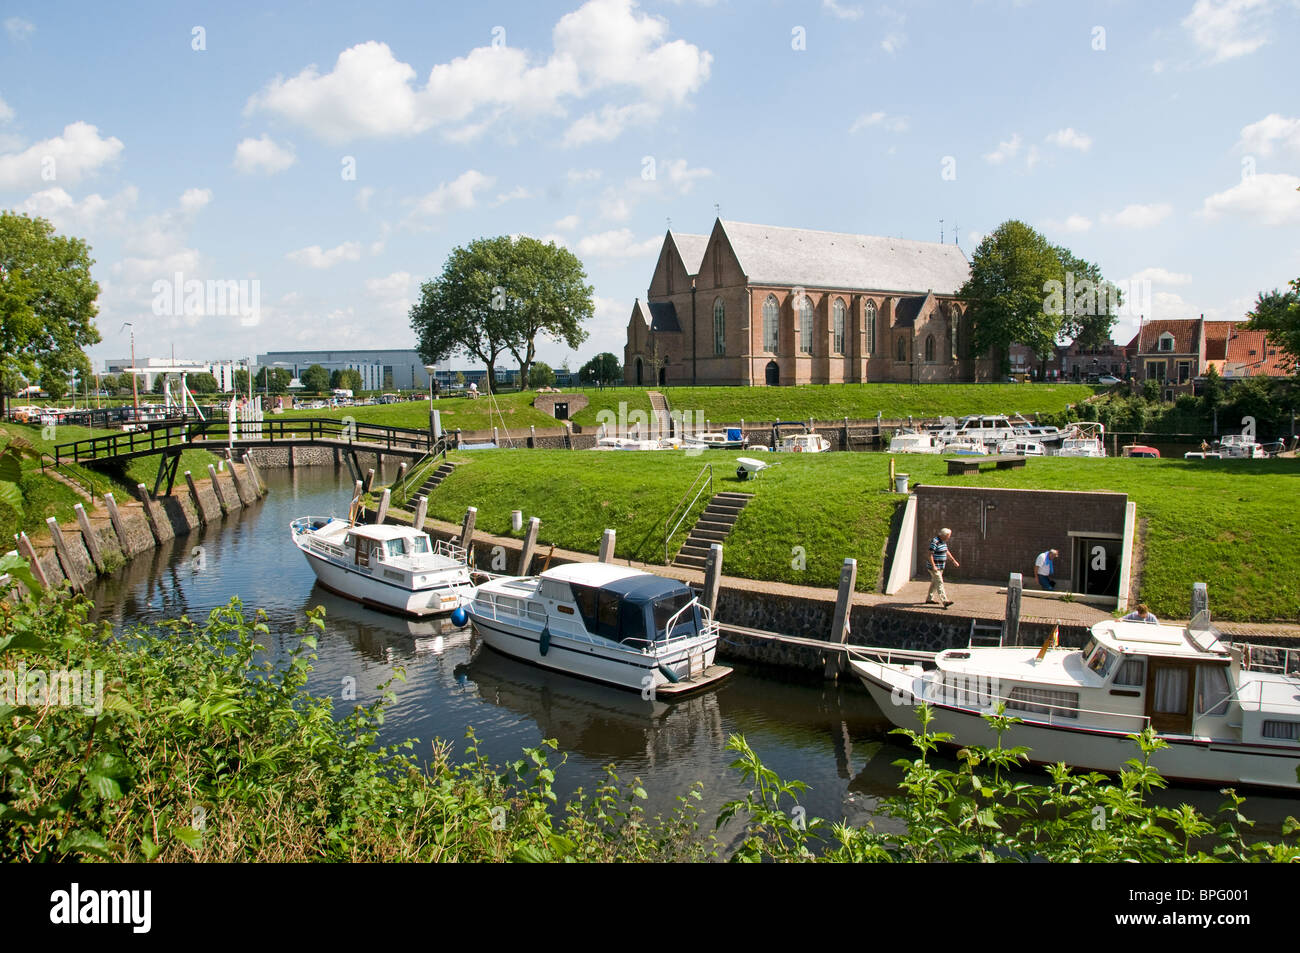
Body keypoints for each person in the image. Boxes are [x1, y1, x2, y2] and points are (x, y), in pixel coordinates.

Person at [926, 528, 957, 608]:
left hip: (940, 567)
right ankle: (945, 601)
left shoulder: (943, 542)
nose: (949, 537)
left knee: (934, 583)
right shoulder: (935, 541)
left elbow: (946, 551)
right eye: (948, 536)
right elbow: (929, 554)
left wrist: (953, 561)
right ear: (944, 535)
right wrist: (933, 566)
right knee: (939, 582)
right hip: (934, 568)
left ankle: (929, 599)